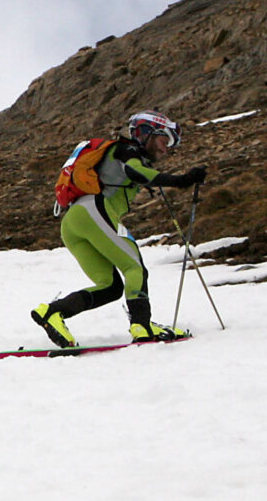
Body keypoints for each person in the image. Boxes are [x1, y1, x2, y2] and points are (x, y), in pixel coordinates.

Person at [33, 110, 206, 347]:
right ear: (147, 132)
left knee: (111, 286)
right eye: (164, 140)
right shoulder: (128, 150)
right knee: (135, 267)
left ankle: (52, 312)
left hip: (73, 222)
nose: (166, 149)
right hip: (94, 210)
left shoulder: (122, 153)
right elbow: (135, 171)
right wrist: (180, 180)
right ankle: (142, 326)